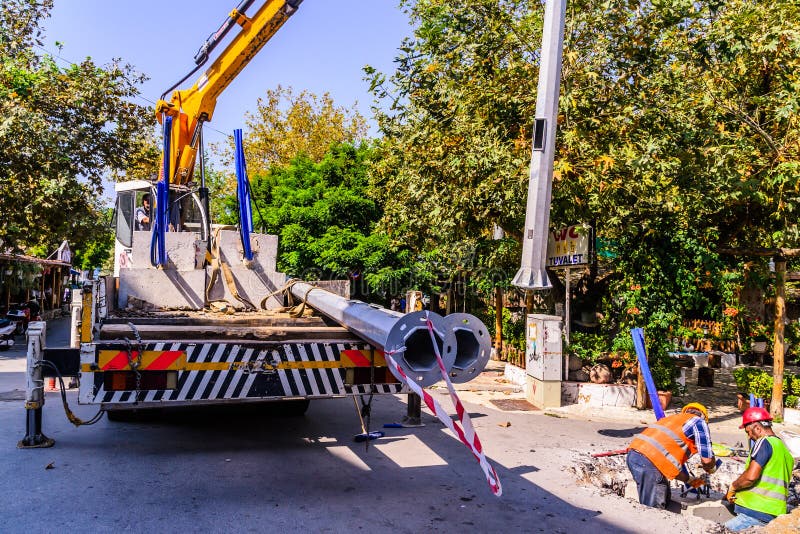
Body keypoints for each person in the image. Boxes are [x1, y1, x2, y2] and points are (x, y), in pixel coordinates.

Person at [626, 402, 717, 508]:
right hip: (649, 462)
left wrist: (688, 479)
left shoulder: (672, 419)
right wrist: (711, 467)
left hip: (634, 456)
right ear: (704, 417)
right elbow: (707, 460)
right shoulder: (699, 422)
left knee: (663, 494)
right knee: (653, 508)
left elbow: (668, 466)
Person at [723, 407, 794, 531]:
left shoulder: (764, 442)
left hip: (755, 512)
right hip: (773, 513)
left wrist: (733, 487)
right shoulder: (785, 451)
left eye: (748, 432)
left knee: (721, 530)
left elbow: (751, 477)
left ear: (757, 428)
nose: (749, 436)